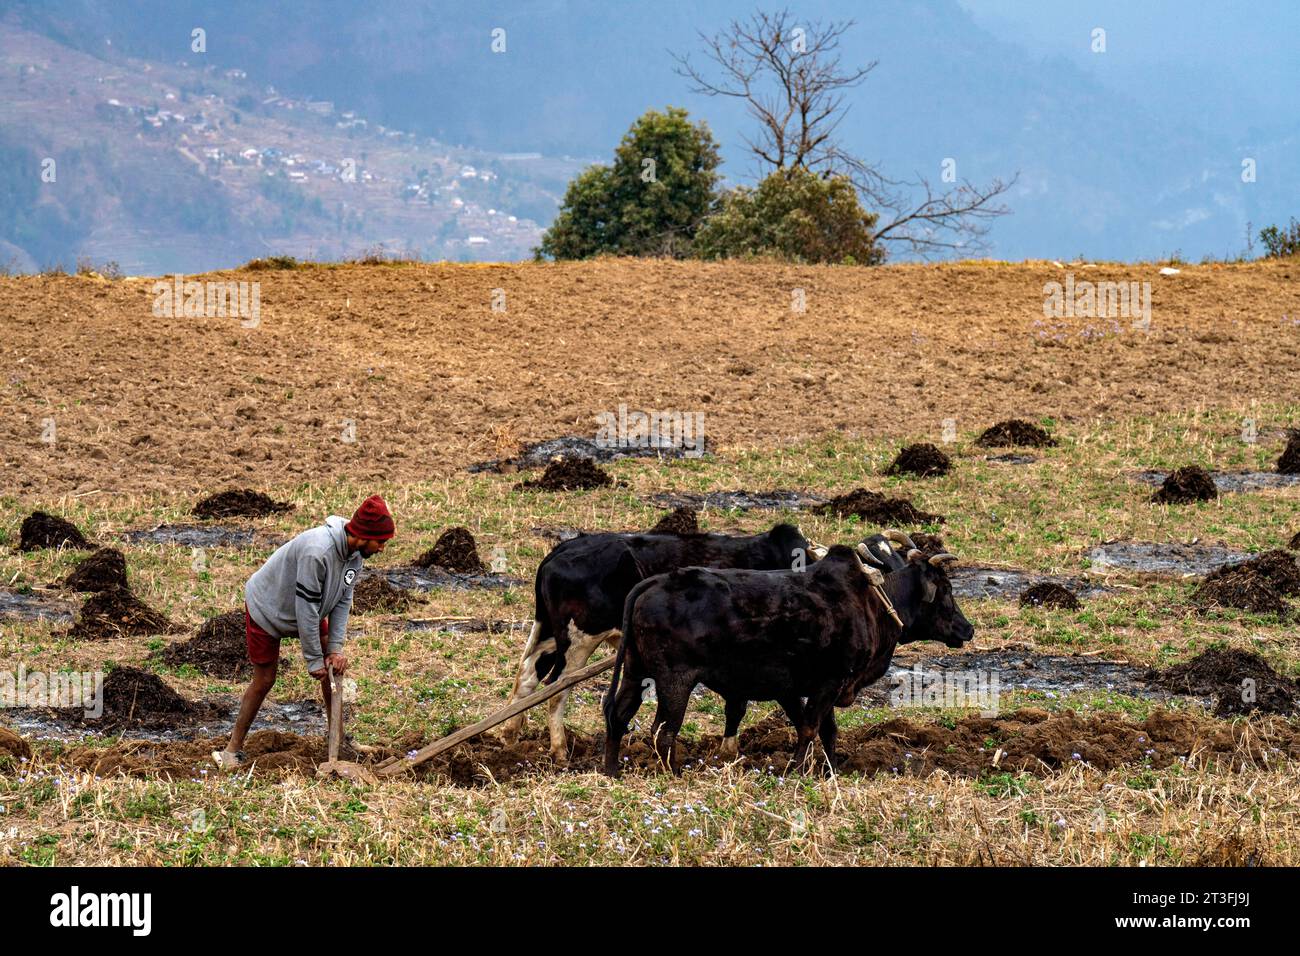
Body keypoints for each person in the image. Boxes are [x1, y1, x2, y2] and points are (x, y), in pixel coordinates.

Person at [212, 495, 395, 770]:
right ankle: (231, 751)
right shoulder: (317, 551)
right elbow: (306, 608)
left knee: (334, 670)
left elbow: (343, 601)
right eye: (380, 542)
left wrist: (334, 650)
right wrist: (313, 660)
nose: (382, 548)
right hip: (269, 607)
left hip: (307, 608)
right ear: (364, 535)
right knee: (265, 680)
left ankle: (338, 740)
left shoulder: (356, 556)